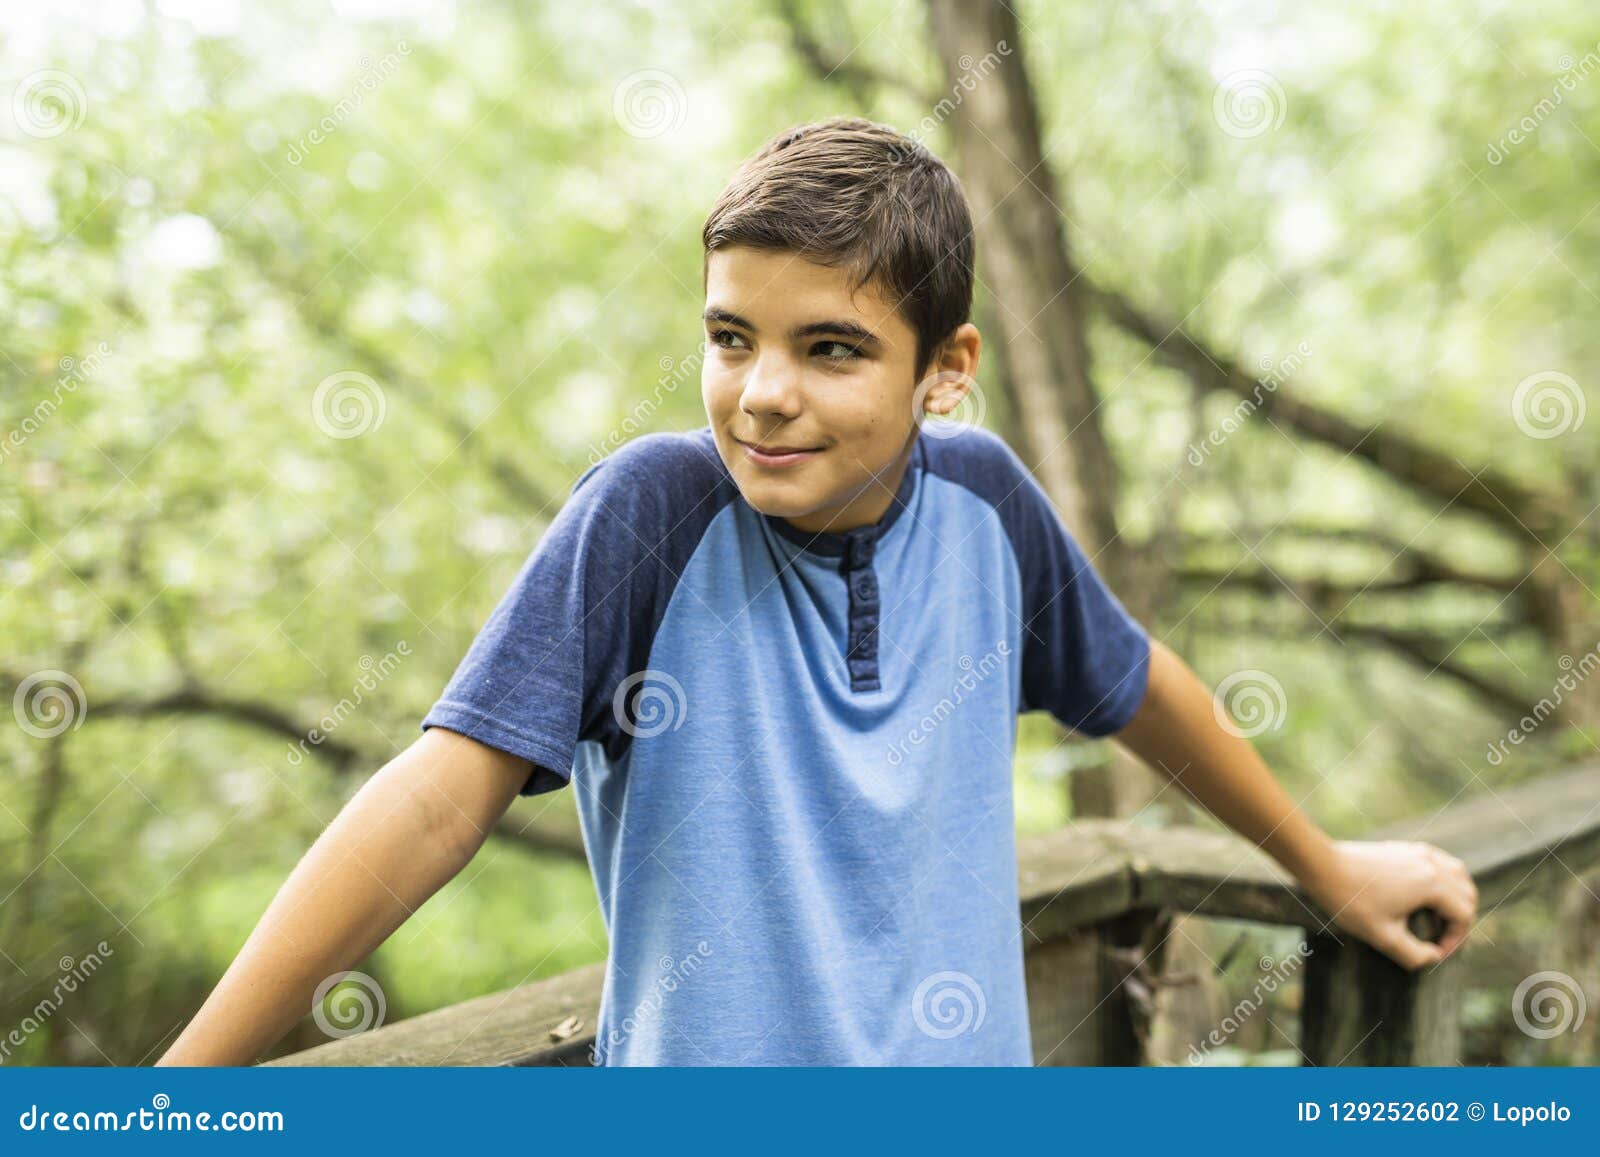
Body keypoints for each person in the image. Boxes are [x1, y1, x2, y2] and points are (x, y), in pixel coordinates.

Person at [159, 116, 1477, 1067]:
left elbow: (1138, 684)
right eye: (730, 338)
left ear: (945, 370)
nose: (763, 393)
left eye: (831, 349)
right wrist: (179, 1091)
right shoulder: (651, 513)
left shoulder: (986, 507)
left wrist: (1327, 869)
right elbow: (436, 803)